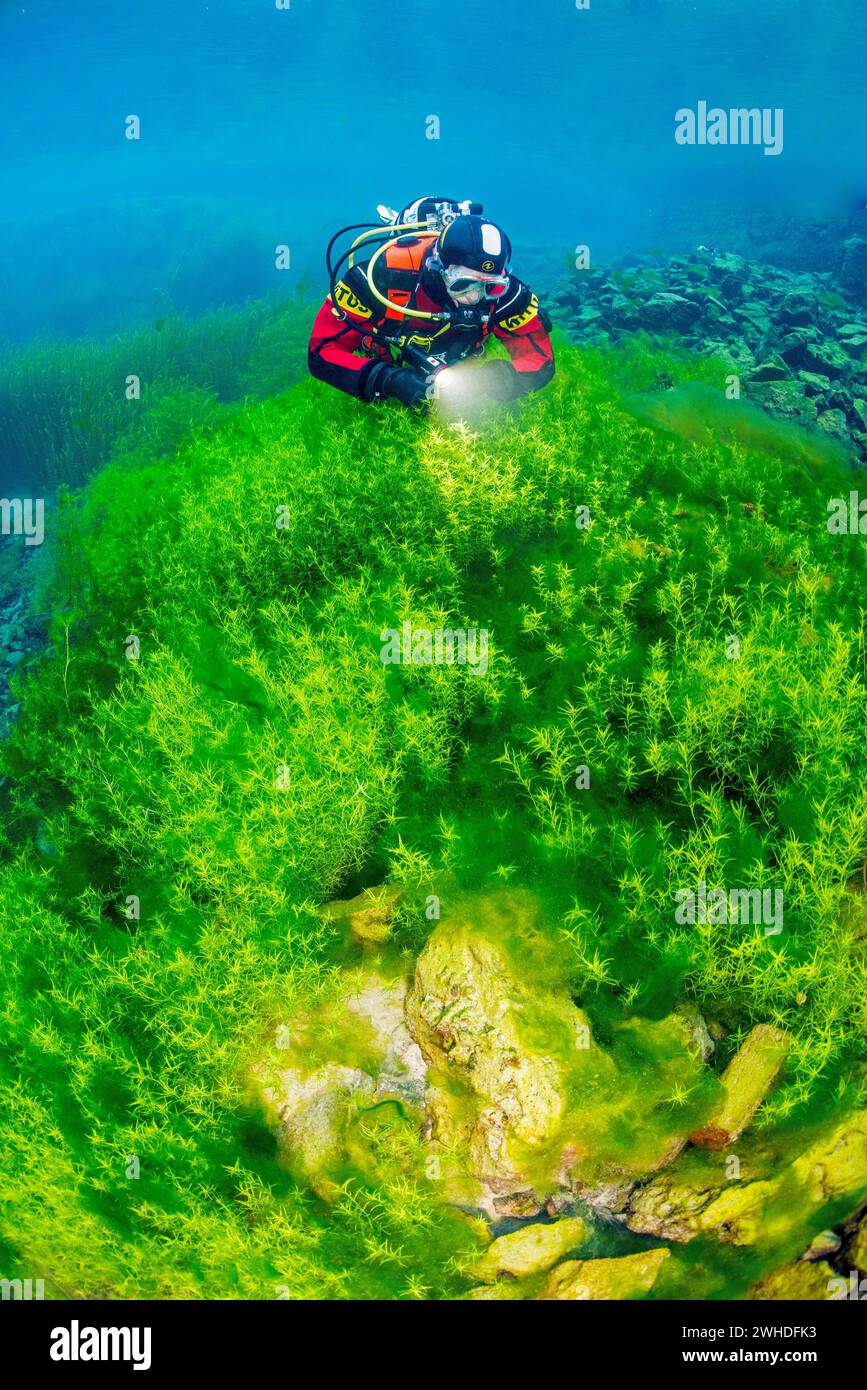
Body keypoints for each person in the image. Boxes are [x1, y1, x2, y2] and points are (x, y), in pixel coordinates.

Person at [308, 196, 555, 411]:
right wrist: (388, 379)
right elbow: (321, 352)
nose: (475, 297)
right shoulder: (381, 279)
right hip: (390, 351)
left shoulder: (506, 294)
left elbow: (540, 361)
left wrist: (492, 380)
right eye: (463, 284)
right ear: (438, 269)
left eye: (490, 286)